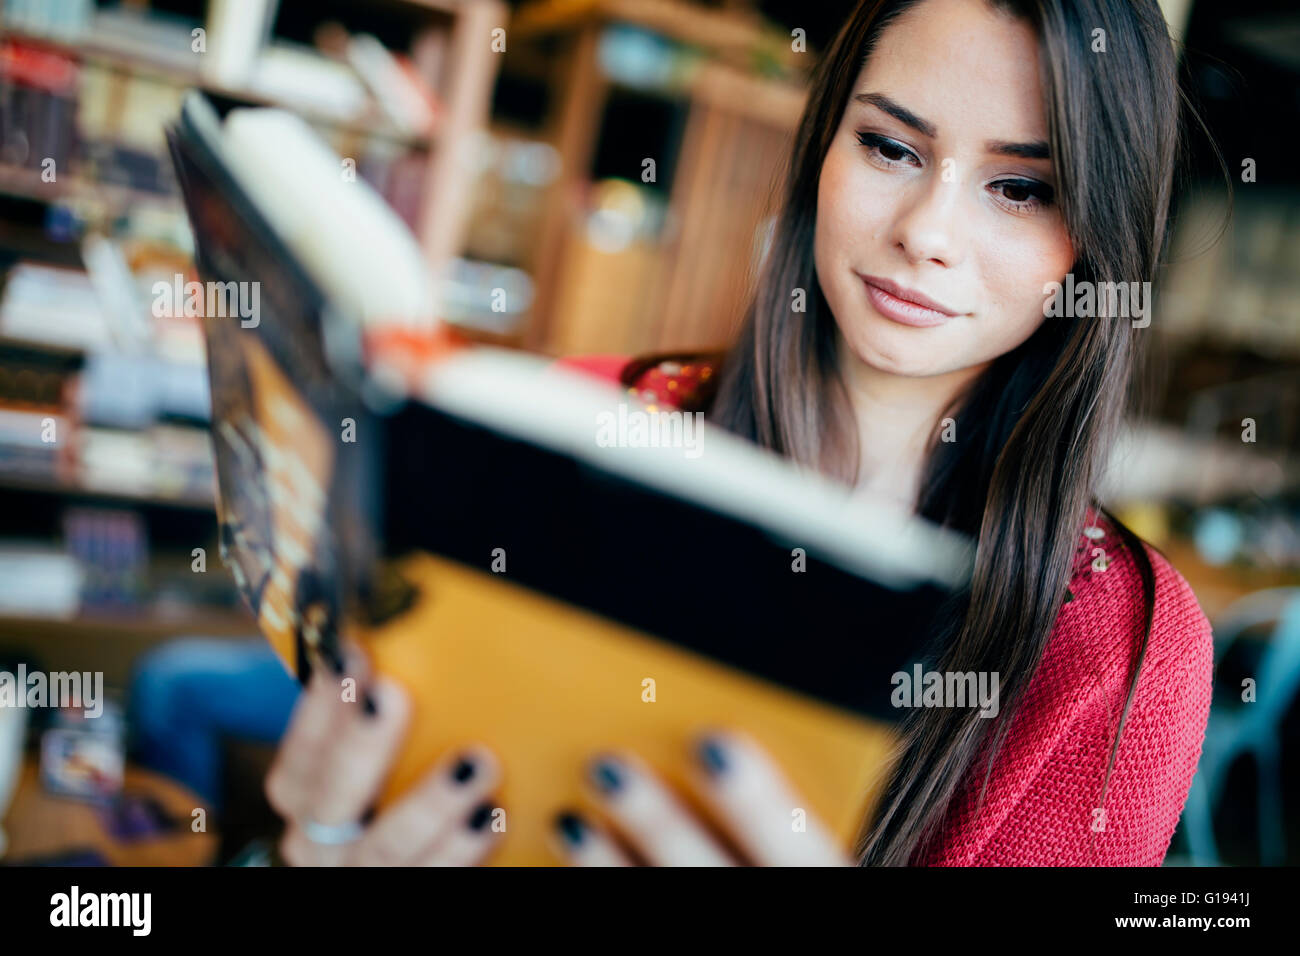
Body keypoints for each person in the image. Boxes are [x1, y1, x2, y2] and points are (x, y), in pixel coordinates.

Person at [265, 0, 1214, 866]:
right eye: (890, 147)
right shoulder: (583, 420)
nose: (928, 232)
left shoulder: (1126, 654)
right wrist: (323, 842)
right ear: (822, 149)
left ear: (1096, 241)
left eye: (1019, 187)